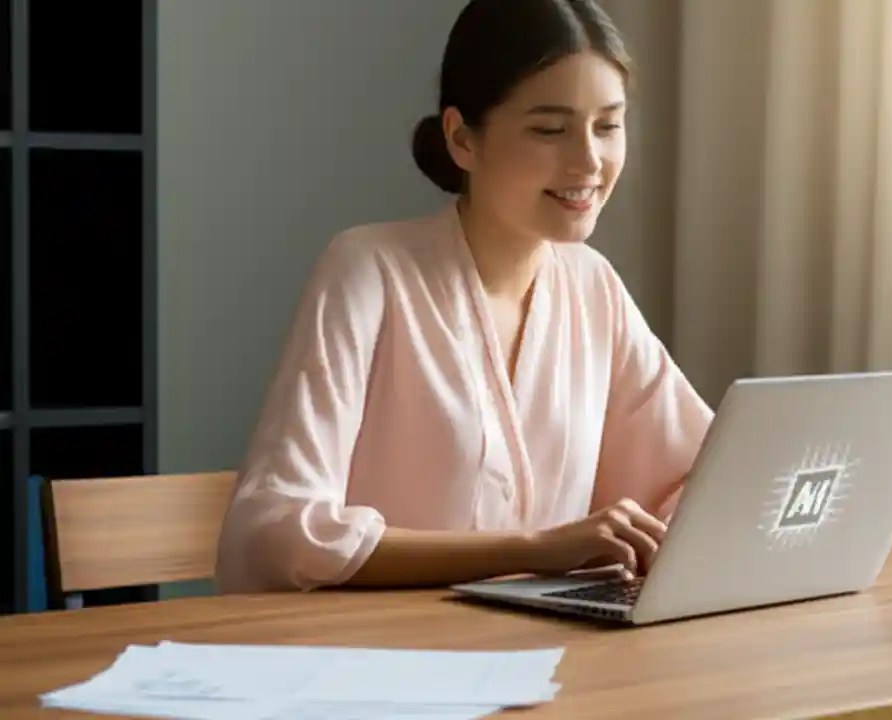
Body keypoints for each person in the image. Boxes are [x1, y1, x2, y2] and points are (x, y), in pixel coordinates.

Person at [214, 0, 712, 593]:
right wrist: (536, 549)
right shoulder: (369, 271)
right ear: (462, 139)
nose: (589, 161)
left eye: (607, 126)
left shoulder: (592, 285)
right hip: (380, 643)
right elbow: (279, 531)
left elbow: (703, 478)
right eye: (549, 130)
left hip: (550, 642)